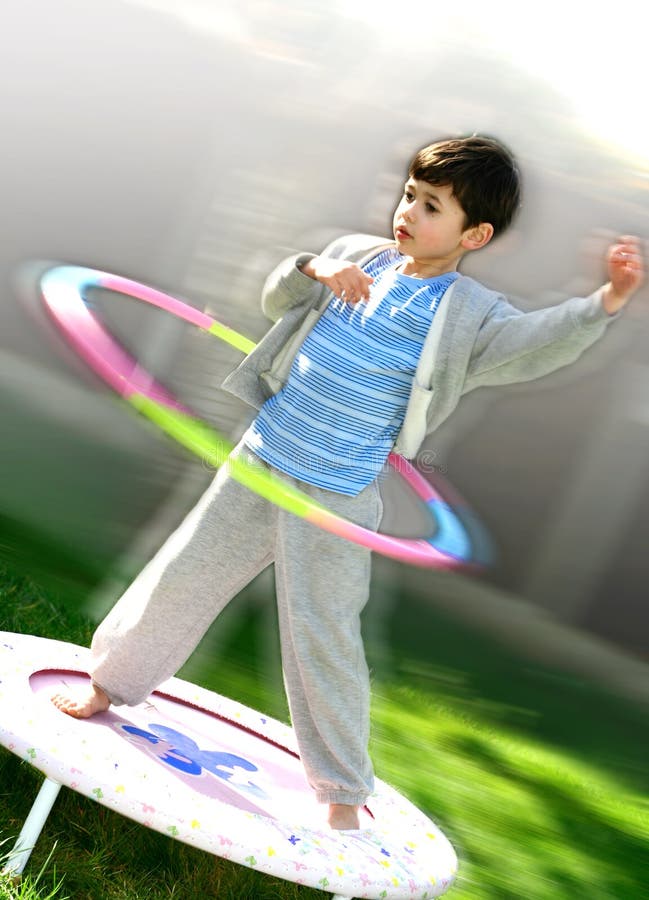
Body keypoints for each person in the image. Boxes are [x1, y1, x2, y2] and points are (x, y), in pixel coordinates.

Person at [52, 136, 644, 831]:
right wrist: (313, 268)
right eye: (408, 195)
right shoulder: (357, 256)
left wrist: (603, 301)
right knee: (182, 575)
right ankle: (107, 685)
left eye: (431, 207)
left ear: (473, 234)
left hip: (333, 493)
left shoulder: (466, 315)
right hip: (262, 459)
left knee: (323, 632)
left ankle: (340, 790)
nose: (408, 212)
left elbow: (529, 345)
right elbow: (278, 298)